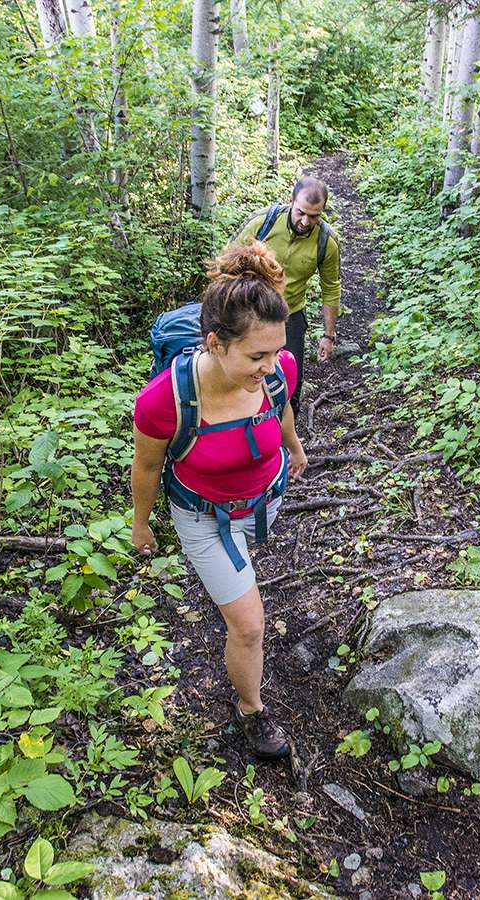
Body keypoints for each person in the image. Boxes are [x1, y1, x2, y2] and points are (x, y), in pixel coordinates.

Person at [130, 242, 308, 760]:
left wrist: (294, 447)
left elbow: (282, 409)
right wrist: (142, 524)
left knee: (240, 585)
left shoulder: (280, 369)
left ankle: (233, 588)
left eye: (275, 352)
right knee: (250, 627)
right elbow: (146, 467)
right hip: (204, 516)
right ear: (214, 343)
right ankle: (251, 710)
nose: (270, 367)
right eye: (256, 356)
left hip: (264, 499)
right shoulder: (165, 400)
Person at [231, 175, 340, 418]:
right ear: (290, 201)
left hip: (290, 314)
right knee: (245, 372)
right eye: (301, 212)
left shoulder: (326, 241)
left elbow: (331, 288)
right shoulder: (263, 223)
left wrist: (328, 335)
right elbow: (228, 263)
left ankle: (286, 435)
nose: (305, 221)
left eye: (314, 216)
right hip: (250, 310)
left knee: (290, 381)